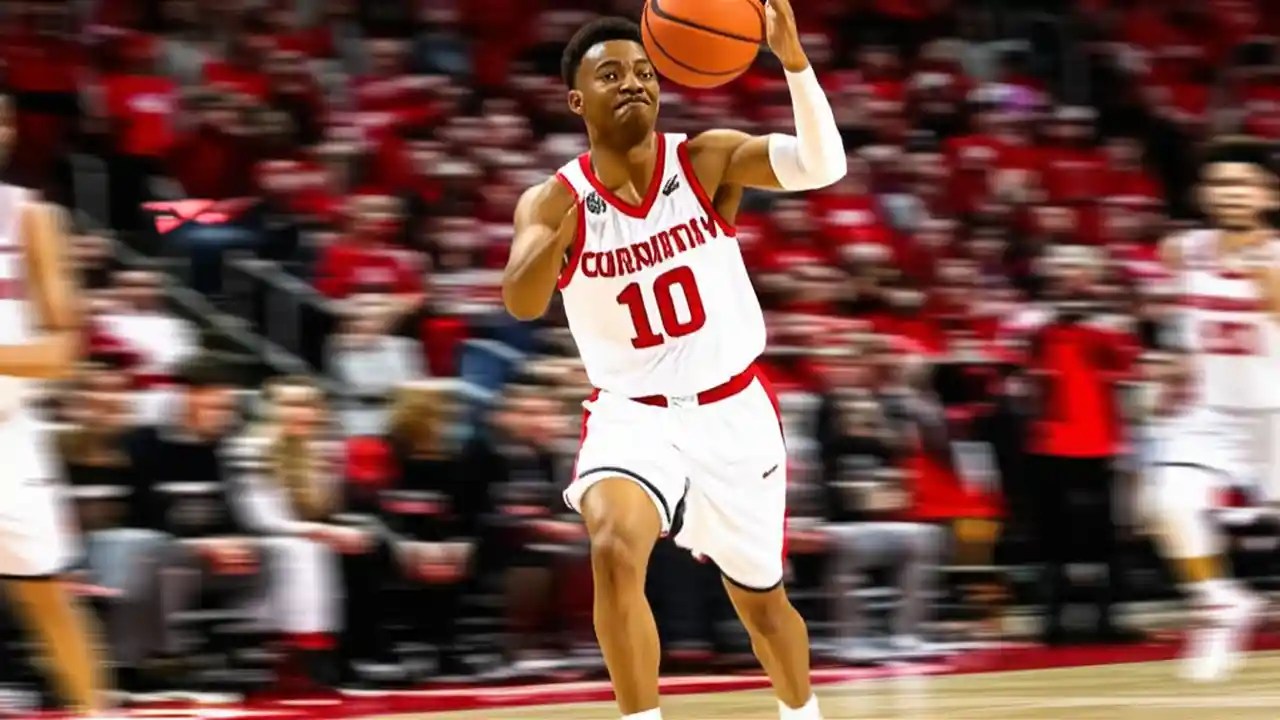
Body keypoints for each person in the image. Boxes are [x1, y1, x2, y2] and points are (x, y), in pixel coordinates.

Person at [501, 5, 847, 719]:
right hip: (632, 419)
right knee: (612, 548)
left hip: (734, 413)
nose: (633, 82)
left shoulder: (705, 160)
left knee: (764, 608)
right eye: (611, 74)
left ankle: (801, 711)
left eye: (644, 70)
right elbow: (521, 302)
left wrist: (791, 59)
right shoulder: (551, 200)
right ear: (578, 100)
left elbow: (823, 166)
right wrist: (548, 244)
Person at [1145, 136, 1279, 681]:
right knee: (1165, 505)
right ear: (1202, 193)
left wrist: (1258, 270)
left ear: (1269, 192)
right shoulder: (1182, 249)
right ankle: (1220, 601)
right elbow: (1181, 313)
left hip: (1274, 411)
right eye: (1220, 183)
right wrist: (1173, 359)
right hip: (1211, 412)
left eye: (1243, 183)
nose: (1230, 193)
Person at [0, 91, 114, 716]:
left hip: (7, 432)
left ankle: (97, 713)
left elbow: (64, 349)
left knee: (45, 593)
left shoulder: (30, 218)